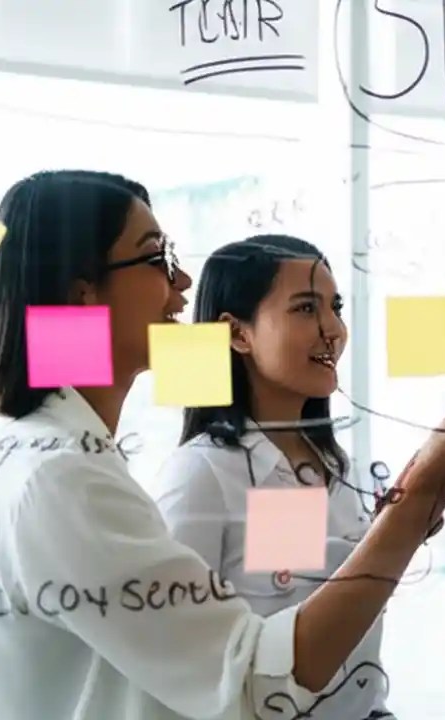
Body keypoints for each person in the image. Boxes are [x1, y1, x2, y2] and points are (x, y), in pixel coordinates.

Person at [0, 170, 445, 720]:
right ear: (83, 297)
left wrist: (428, 490)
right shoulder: (73, 476)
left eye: (335, 308)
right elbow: (247, 683)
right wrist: (425, 486)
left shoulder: (58, 457)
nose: (181, 285)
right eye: (156, 259)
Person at [149, 234, 394, 719]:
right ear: (238, 334)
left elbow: (317, 608)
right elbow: (178, 663)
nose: (333, 330)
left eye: (335, 306)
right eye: (306, 309)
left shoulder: (336, 468)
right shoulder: (202, 472)